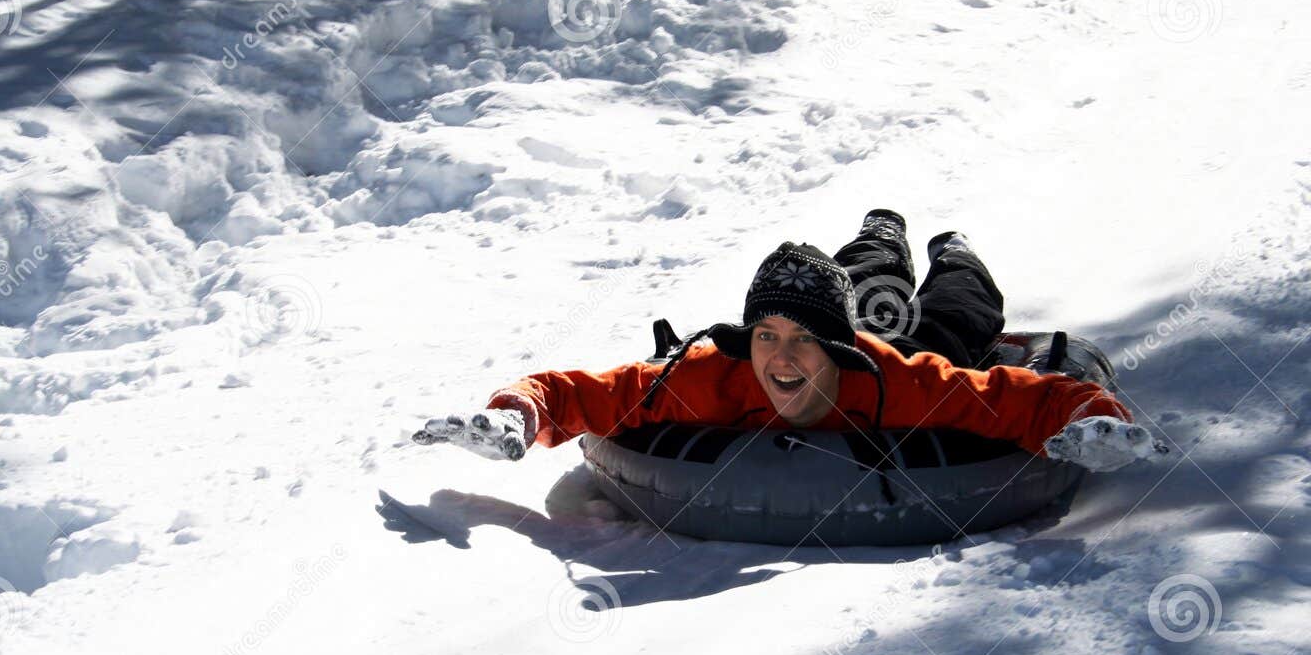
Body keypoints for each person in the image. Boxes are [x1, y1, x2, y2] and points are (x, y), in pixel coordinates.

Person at [413, 210, 1167, 474]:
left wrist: (1095, 425)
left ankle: (954, 251)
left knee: (958, 319)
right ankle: (882, 233)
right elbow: (582, 393)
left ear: (833, 353)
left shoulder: (902, 384)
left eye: (801, 341)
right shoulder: (715, 377)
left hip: (892, 347)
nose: (778, 357)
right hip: (848, 319)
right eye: (766, 336)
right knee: (863, 273)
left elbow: (1030, 399)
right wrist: (517, 415)